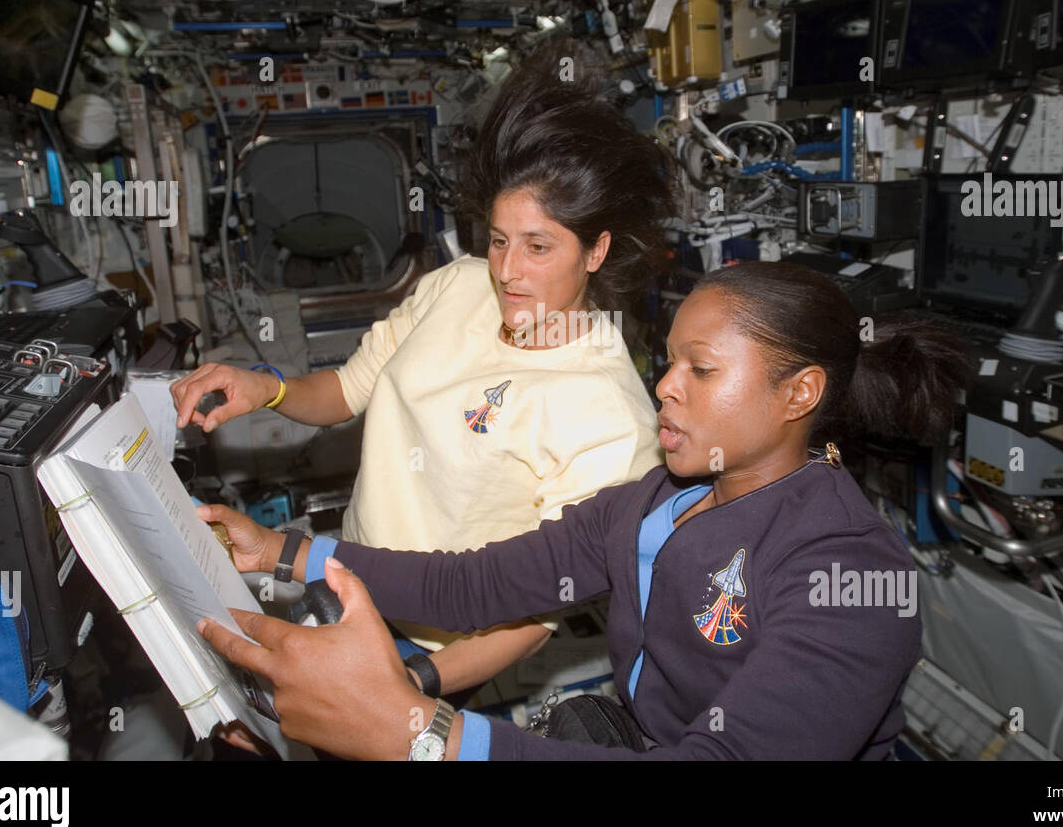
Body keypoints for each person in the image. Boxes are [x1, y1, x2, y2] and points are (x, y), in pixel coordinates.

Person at [198, 259, 974, 759]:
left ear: (799, 392)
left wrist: (426, 735)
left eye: (700, 370)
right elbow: (474, 586)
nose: (666, 386)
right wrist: (284, 552)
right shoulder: (654, 503)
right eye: (669, 360)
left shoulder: (849, 573)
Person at [171, 44, 674, 698]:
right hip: (340, 578)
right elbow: (346, 390)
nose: (508, 270)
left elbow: (538, 613)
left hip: (437, 649)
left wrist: (407, 684)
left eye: (539, 246)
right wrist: (267, 388)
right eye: (498, 239)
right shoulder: (456, 285)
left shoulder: (608, 413)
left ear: (597, 249)